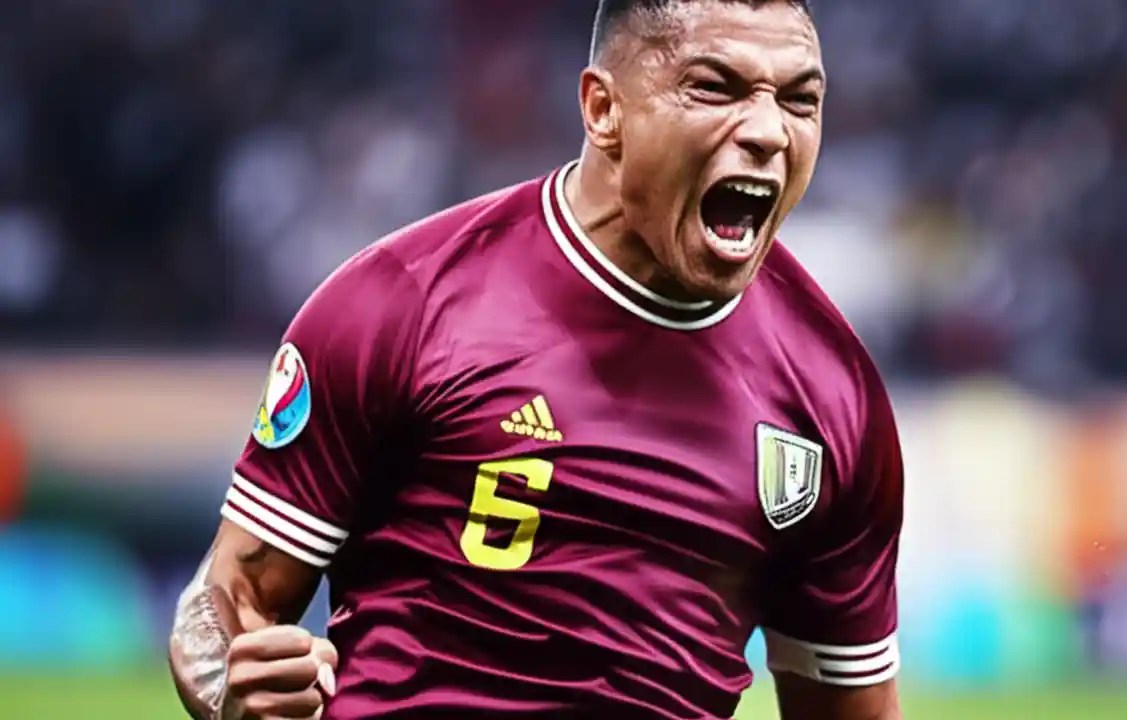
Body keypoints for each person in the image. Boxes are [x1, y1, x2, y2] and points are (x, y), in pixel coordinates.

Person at [168, 1, 905, 718]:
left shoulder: (834, 397)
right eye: (715, 88)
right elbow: (229, 596)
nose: (769, 132)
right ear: (603, 109)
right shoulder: (403, 303)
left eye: (801, 100)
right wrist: (234, 686)